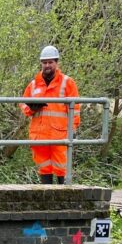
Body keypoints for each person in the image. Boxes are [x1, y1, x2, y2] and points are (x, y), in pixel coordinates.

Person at [20, 45, 80, 184]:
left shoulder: (67, 83)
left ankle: (63, 198)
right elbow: (23, 103)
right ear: (41, 64)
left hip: (59, 135)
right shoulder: (34, 84)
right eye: (44, 62)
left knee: (62, 169)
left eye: (50, 62)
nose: (47, 65)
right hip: (39, 136)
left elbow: (75, 108)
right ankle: (46, 198)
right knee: (44, 169)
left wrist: (74, 129)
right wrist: (32, 108)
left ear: (56, 63)